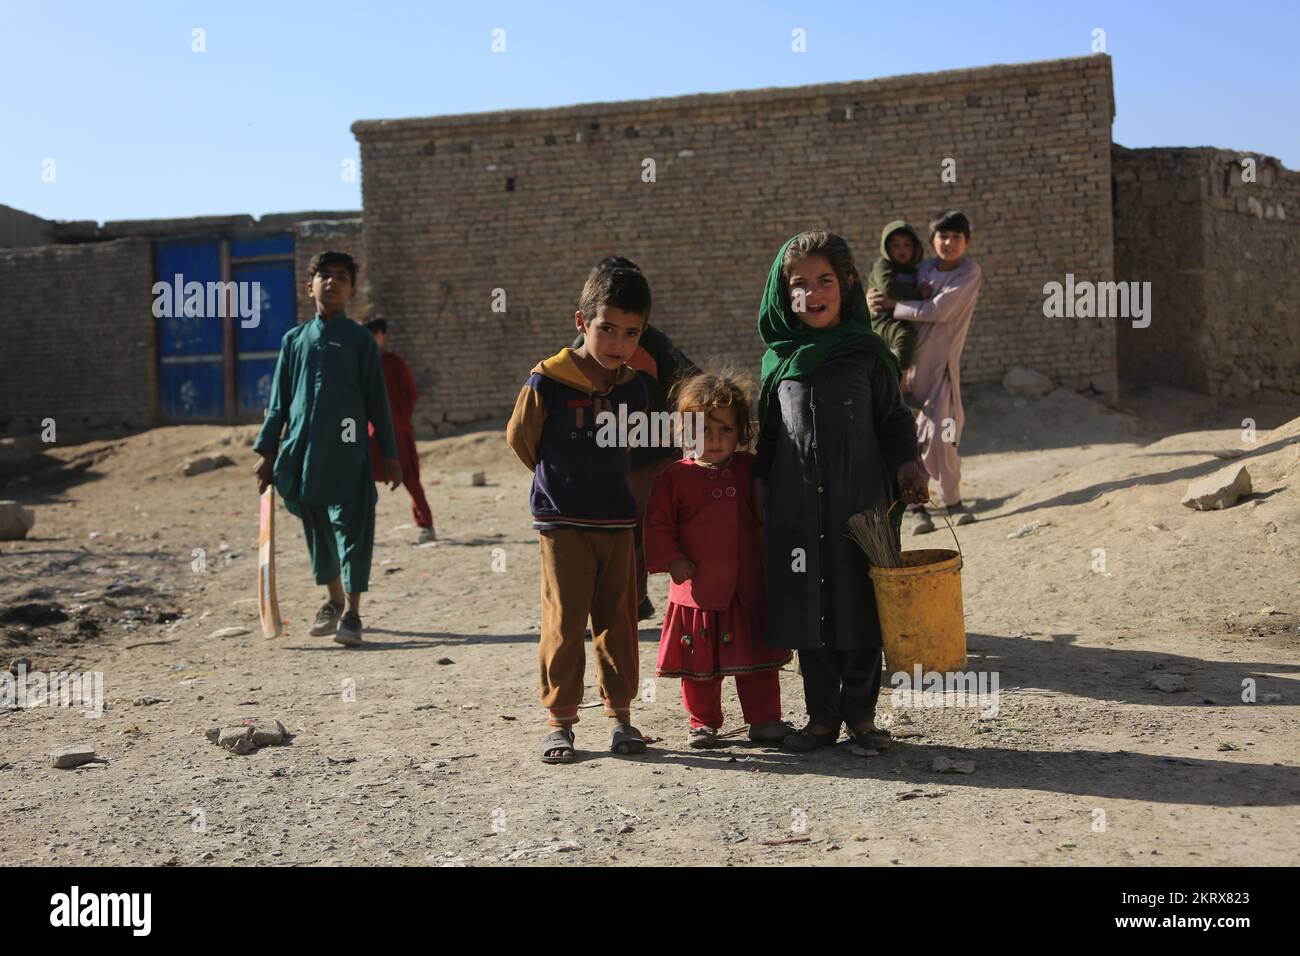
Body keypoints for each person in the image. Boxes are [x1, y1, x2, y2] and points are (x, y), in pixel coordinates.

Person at [752, 231, 928, 753]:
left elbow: (895, 421)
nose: (812, 293)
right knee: (810, 611)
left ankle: (863, 716)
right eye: (798, 284)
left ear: (846, 284)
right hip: (797, 510)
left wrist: (908, 464)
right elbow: (766, 438)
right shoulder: (778, 362)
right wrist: (760, 492)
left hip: (861, 508)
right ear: (784, 296)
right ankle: (821, 719)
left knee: (859, 607)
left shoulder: (867, 353)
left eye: (824, 280)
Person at [507, 266, 650, 764]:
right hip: (562, 522)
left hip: (616, 521)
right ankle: (560, 721)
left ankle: (621, 718)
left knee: (618, 620)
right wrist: (558, 479)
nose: (617, 342)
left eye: (631, 333)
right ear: (582, 321)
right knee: (564, 620)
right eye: (606, 328)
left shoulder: (634, 388)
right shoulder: (547, 381)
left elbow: (632, 449)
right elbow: (522, 440)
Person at [253, 251, 402, 647]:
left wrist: (389, 455)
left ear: (351, 290)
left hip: (349, 452)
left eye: (341, 277)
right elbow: (279, 403)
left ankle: (352, 611)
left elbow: (378, 401)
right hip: (303, 453)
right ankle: (333, 600)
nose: (332, 282)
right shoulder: (294, 341)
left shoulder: (359, 341)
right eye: (324, 276)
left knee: (354, 527)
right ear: (310, 286)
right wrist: (268, 452)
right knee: (317, 528)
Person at [643, 371, 791, 749]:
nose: (714, 440)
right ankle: (703, 724)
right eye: (703, 430)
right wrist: (673, 560)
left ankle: (765, 720)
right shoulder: (673, 478)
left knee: (757, 662)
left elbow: (769, 513)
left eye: (725, 430)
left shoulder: (749, 470)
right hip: (699, 594)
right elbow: (658, 526)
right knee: (699, 668)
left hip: (747, 590)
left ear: (741, 432)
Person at [572, 256, 698, 621]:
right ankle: (622, 603)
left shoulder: (654, 344)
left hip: (652, 456)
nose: (618, 340)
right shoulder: (580, 349)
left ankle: (633, 602)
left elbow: (688, 379)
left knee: (639, 530)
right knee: (608, 532)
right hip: (605, 458)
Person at [867, 210, 982, 534]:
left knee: (940, 437)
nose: (948, 243)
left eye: (956, 237)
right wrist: (872, 297)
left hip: (941, 371)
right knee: (908, 438)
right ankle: (917, 507)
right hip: (906, 368)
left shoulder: (968, 272)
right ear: (931, 241)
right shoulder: (923, 269)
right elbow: (887, 281)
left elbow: (939, 310)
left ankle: (952, 501)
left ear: (966, 242)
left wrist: (892, 304)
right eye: (942, 237)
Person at [364, 317, 436, 544]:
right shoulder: (363, 363)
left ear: (381, 335)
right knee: (361, 480)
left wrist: (400, 420)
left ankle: (426, 525)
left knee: (410, 479)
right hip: (371, 432)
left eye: (372, 334)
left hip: (397, 430)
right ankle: (362, 528)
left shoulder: (395, 363)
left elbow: (410, 394)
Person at [867, 220, 930, 378]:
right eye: (895, 245)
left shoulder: (914, 270)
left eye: (907, 245)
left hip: (903, 318)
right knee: (904, 338)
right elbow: (889, 288)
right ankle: (899, 383)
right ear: (886, 247)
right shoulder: (883, 266)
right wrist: (917, 295)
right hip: (882, 319)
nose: (902, 250)